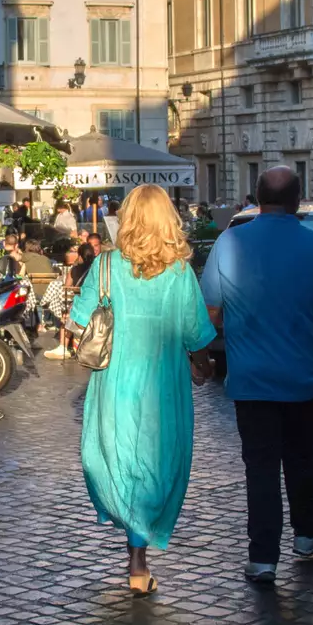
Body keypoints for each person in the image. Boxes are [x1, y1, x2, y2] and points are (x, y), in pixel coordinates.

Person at [201, 166, 313, 584]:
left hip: (251, 379)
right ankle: (307, 533)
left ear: (255, 196)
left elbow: (210, 313)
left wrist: (224, 343)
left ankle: (263, 558)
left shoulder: (229, 242)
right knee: (302, 458)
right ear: (298, 200)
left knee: (261, 467)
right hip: (305, 375)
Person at [68, 185, 216, 596]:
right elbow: (196, 333)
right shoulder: (180, 273)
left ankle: (134, 548)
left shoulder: (105, 265)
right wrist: (202, 365)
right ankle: (138, 551)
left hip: (115, 382)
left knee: (116, 458)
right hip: (163, 384)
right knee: (157, 462)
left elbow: (77, 324)